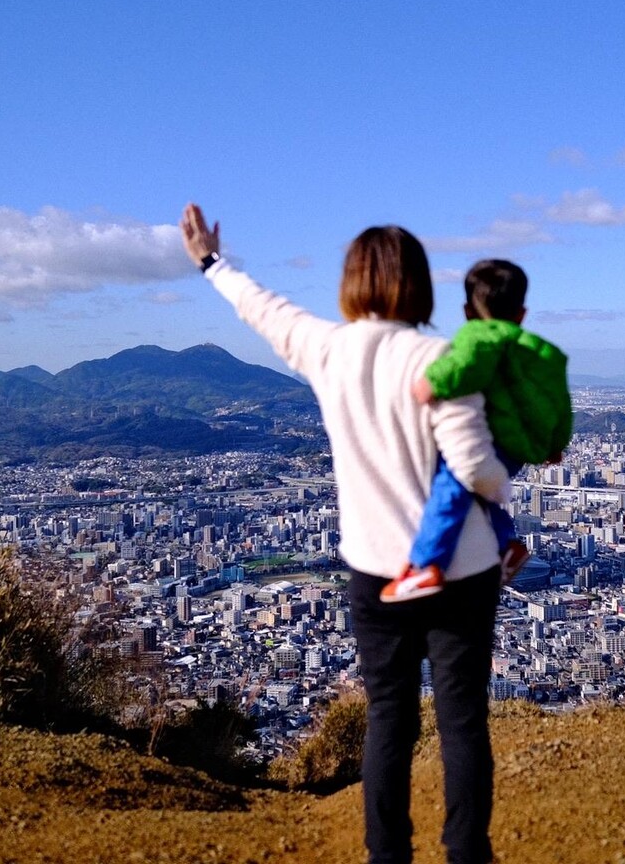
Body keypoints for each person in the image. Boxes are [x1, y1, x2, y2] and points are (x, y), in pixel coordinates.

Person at [178, 203, 504, 864]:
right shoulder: (441, 356)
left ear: (352, 282)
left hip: (377, 572)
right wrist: (502, 485)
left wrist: (212, 262)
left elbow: (261, 308)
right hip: (459, 571)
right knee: (462, 721)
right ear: (418, 285)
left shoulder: (327, 349)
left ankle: (388, 855)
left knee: (389, 719)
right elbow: (473, 467)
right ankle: (467, 854)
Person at [381, 258, 572, 603]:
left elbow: (465, 365)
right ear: (522, 314)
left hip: (494, 441)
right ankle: (507, 545)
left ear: (467, 311)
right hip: (522, 448)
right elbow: (561, 403)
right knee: (477, 495)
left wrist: (432, 384)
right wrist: (556, 444)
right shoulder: (546, 353)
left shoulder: (479, 336)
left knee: (449, 489)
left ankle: (426, 565)